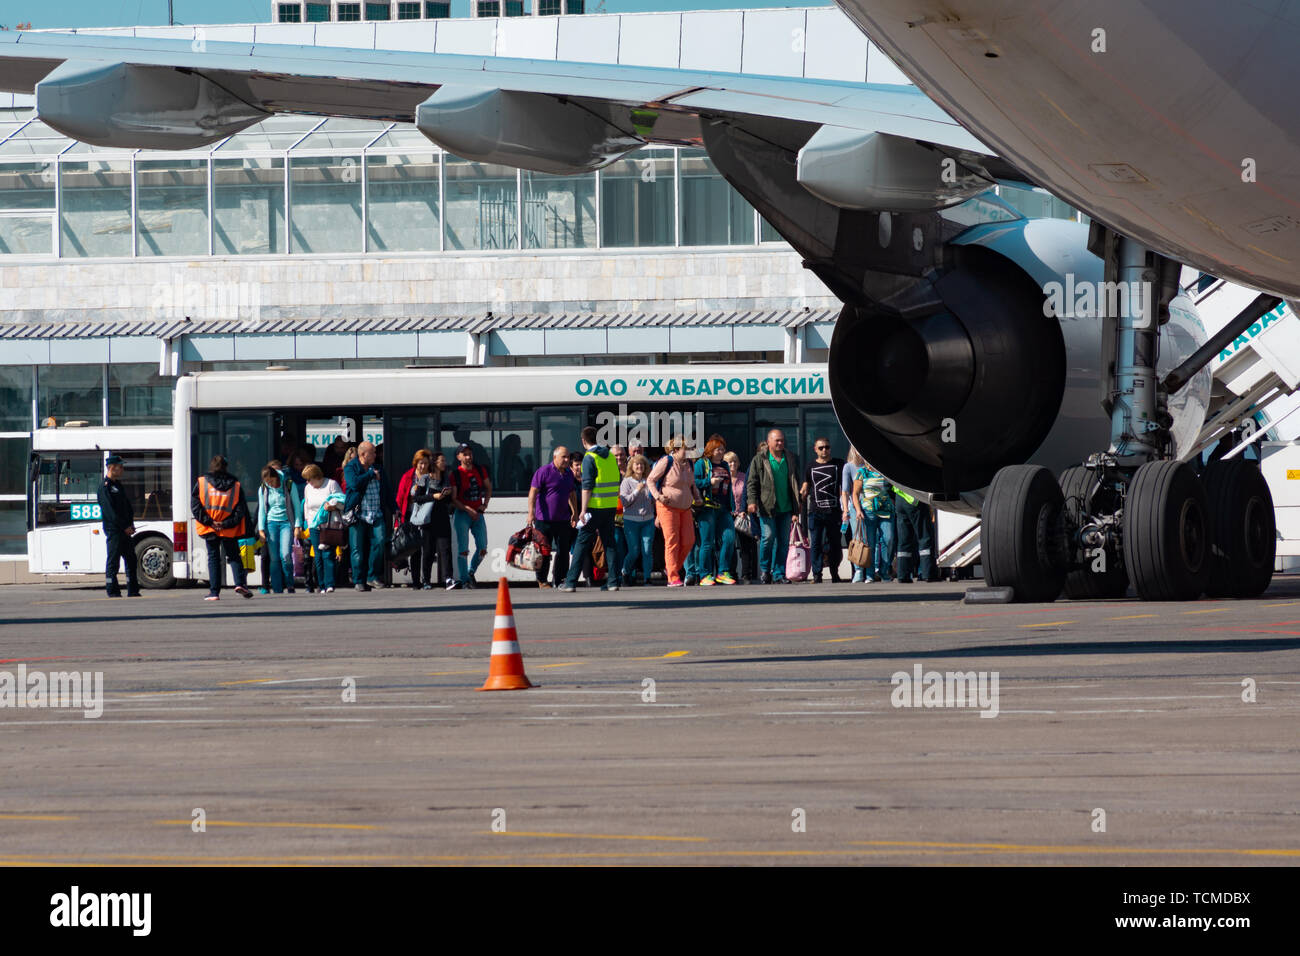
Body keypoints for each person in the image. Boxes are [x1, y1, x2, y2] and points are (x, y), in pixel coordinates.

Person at [561, 426, 624, 592]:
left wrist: (582, 510)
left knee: (582, 543)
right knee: (610, 543)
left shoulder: (589, 458)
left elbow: (587, 486)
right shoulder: (610, 456)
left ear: (583, 441)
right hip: (610, 506)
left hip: (594, 507)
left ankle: (570, 582)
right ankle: (613, 582)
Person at [192, 454, 253, 601]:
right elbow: (240, 510)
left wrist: (210, 522)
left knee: (213, 558)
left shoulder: (202, 482)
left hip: (210, 527)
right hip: (229, 528)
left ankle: (214, 592)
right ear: (226, 467)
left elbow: (195, 506)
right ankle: (240, 584)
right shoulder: (235, 485)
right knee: (233, 556)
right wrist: (226, 523)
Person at [747, 428, 801, 584]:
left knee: (784, 542)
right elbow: (752, 482)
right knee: (768, 538)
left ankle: (779, 573)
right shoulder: (760, 459)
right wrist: (751, 501)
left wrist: (797, 508)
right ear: (769, 441)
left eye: (782, 440)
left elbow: (795, 482)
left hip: (786, 507)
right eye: (777, 440)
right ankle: (765, 570)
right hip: (767, 507)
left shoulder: (790, 457)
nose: (780, 443)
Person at [647, 435, 700, 587]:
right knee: (672, 541)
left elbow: (692, 484)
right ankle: (672, 576)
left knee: (689, 541)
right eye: (687, 449)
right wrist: (658, 496)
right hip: (667, 506)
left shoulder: (689, 463)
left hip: (685, 508)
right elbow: (650, 480)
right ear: (676, 449)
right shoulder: (666, 461)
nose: (690, 452)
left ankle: (671, 567)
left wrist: (697, 498)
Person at [343, 440, 393, 591]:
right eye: (373, 452)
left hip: (375, 513)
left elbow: (387, 490)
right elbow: (354, 484)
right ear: (363, 454)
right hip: (358, 513)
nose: (376, 455)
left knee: (379, 541)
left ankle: (372, 576)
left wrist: (394, 508)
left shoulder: (378, 468)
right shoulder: (351, 467)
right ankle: (358, 580)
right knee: (357, 549)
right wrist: (370, 474)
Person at [527, 446, 578, 589]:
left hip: (563, 520)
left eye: (568, 457)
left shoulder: (569, 474)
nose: (567, 460)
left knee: (563, 550)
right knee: (543, 551)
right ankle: (542, 580)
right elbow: (533, 493)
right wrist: (531, 512)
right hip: (544, 520)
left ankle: (560, 579)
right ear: (554, 457)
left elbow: (572, 494)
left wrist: (574, 512)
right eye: (564, 457)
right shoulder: (543, 472)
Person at [396, 449, 444, 590]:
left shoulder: (432, 477)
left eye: (425, 464)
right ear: (415, 463)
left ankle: (426, 580)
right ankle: (416, 581)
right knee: (415, 550)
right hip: (411, 517)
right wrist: (399, 519)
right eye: (420, 463)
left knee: (428, 550)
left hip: (428, 517)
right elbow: (400, 497)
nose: (422, 467)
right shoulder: (408, 477)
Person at [800, 437, 845, 584]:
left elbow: (845, 486)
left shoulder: (839, 464)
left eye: (827, 447)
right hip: (816, 511)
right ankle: (817, 574)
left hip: (834, 511)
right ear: (815, 449)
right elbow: (806, 484)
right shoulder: (810, 466)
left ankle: (835, 574)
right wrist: (802, 493)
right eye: (821, 448)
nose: (824, 450)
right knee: (816, 544)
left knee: (835, 544)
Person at [693, 437, 736, 585]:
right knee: (707, 542)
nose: (721, 452)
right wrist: (708, 482)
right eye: (718, 449)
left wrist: (732, 507)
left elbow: (729, 487)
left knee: (729, 538)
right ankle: (705, 574)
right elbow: (694, 482)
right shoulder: (702, 463)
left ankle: (723, 572)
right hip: (707, 507)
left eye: (723, 449)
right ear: (711, 450)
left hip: (723, 508)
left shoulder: (724, 464)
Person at [450, 442, 492, 589]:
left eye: (470, 454)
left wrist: (484, 505)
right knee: (463, 548)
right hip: (462, 514)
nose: (468, 457)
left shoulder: (480, 470)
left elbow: (488, 488)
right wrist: (468, 509)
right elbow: (454, 499)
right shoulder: (455, 474)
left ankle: (470, 572)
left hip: (478, 514)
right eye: (465, 454)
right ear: (459, 457)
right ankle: (464, 580)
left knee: (483, 547)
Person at [97, 454, 139, 597]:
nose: (122, 469)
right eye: (120, 467)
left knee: (131, 559)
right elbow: (110, 512)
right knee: (113, 561)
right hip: (115, 530)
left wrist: (130, 524)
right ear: (111, 468)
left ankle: (133, 589)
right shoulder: (105, 487)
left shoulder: (118, 485)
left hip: (125, 530)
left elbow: (126, 507)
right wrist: (123, 527)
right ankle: (112, 590)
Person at [257, 460, 301, 594]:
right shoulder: (263, 488)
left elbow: (297, 506)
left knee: (286, 554)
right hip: (271, 523)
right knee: (274, 558)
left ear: (276, 477)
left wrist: (297, 526)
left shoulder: (288, 484)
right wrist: (261, 529)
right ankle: (277, 588)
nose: (270, 485)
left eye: (271, 482)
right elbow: (262, 510)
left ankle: (290, 584)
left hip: (286, 523)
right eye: (267, 482)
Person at [301, 463, 342, 593]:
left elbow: (342, 501)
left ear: (316, 476)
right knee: (317, 556)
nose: (308, 482)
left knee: (328, 554)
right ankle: (321, 584)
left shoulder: (331, 484)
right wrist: (308, 521)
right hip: (313, 525)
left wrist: (333, 506)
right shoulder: (308, 488)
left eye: (309, 479)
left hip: (329, 525)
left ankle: (330, 583)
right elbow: (306, 506)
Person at [852, 460, 896, 583]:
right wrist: (858, 510)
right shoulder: (862, 472)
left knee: (889, 539)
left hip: (886, 510)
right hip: (869, 511)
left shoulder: (884, 471)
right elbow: (855, 493)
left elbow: (892, 489)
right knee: (870, 543)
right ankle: (870, 574)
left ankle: (884, 571)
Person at [619, 453, 655, 586]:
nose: (640, 466)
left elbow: (653, 499)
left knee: (647, 550)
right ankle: (624, 571)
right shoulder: (627, 481)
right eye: (637, 464)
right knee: (634, 551)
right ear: (632, 467)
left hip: (648, 520)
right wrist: (637, 491)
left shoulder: (649, 480)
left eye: (642, 464)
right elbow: (625, 502)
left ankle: (647, 578)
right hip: (631, 521)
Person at [724, 450, 756, 584]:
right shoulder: (723, 478)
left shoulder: (744, 477)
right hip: (728, 516)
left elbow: (749, 493)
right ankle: (732, 573)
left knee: (745, 546)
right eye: (729, 462)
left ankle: (746, 574)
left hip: (743, 515)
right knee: (729, 545)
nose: (732, 464)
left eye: (734, 461)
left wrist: (744, 509)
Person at [893, 484, 935, 584]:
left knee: (904, 539)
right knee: (924, 536)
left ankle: (903, 575)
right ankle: (928, 573)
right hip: (914, 499)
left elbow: (886, 484)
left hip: (899, 499)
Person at [842, 447, 866, 582]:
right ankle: (858, 570)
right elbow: (845, 491)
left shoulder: (872, 465)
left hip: (875, 505)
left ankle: (874, 570)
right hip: (856, 506)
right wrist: (845, 510)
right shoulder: (849, 467)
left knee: (878, 539)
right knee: (858, 538)